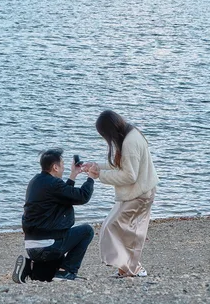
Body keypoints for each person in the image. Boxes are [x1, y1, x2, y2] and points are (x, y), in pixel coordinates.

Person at [84, 110, 159, 278]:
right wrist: (97, 166)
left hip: (140, 194)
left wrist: (100, 175)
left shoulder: (129, 142)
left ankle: (133, 269)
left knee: (119, 230)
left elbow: (129, 175)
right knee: (121, 230)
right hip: (138, 192)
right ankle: (126, 268)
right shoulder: (129, 135)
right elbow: (123, 165)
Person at [12, 148, 98, 283]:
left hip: (32, 246)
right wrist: (91, 178)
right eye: (62, 166)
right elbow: (82, 196)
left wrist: (73, 175)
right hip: (48, 246)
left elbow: (63, 197)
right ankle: (68, 271)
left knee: (48, 276)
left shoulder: (36, 181)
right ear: (55, 167)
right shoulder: (54, 184)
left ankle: (29, 267)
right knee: (87, 231)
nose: (63, 169)